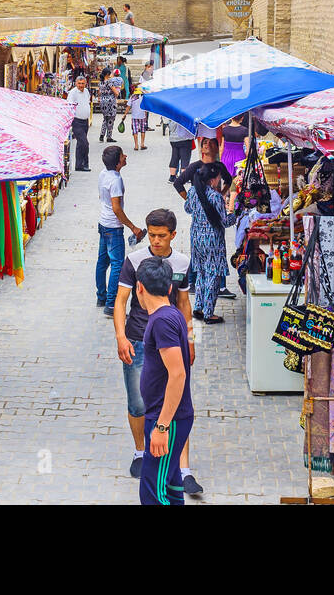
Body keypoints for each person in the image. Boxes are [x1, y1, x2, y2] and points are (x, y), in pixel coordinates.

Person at [113, 210, 202, 495]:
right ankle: (141, 451)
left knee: (174, 399)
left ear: (173, 235)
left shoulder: (182, 263)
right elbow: (120, 301)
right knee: (139, 403)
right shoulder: (134, 260)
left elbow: (186, 304)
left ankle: (182, 468)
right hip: (138, 339)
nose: (155, 241)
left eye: (161, 236)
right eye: (151, 235)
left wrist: (191, 339)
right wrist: (120, 336)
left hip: (169, 337)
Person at [135, 257, 195, 505]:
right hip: (169, 417)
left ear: (139, 287)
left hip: (166, 420)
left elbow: (178, 374)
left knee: (152, 494)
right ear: (170, 288)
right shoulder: (171, 314)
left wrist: (161, 427)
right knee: (170, 488)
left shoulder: (161, 322)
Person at [175, 138, 236, 323]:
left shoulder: (193, 193)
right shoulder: (216, 197)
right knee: (214, 275)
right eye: (218, 177)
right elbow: (225, 222)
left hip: (196, 238)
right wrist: (233, 208)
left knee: (201, 273)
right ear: (212, 179)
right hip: (213, 240)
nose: (220, 179)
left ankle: (199, 308)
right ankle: (209, 313)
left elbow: (188, 209)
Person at [96, 145, 145, 316]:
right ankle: (110, 304)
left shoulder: (103, 174)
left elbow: (101, 197)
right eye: (122, 155)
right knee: (117, 265)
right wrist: (133, 227)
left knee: (102, 262)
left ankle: (101, 296)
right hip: (113, 227)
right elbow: (117, 209)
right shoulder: (116, 180)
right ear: (117, 162)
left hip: (103, 222)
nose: (125, 156)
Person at [66, 74, 92, 172]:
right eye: (79, 83)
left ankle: (79, 165)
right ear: (76, 83)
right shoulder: (73, 93)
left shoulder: (86, 91)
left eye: (83, 83)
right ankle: (84, 164)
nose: (81, 85)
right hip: (76, 121)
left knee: (80, 144)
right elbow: (69, 106)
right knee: (85, 143)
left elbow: (87, 103)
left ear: (85, 83)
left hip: (85, 121)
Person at [97, 66, 121, 143]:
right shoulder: (109, 82)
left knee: (105, 118)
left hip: (103, 102)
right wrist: (118, 92)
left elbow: (99, 93)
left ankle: (101, 135)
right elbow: (116, 93)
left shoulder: (100, 83)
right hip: (110, 102)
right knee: (110, 119)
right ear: (107, 74)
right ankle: (109, 137)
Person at [167, 119, 195, 184]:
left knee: (174, 157)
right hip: (185, 139)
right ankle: (184, 177)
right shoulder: (185, 114)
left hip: (173, 140)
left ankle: (172, 177)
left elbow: (171, 128)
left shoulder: (172, 116)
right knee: (185, 158)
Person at [128, 86, 148, 151]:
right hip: (142, 116)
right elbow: (145, 108)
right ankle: (142, 144)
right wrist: (146, 116)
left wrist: (124, 115)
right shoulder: (143, 98)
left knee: (135, 130)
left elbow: (128, 107)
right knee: (142, 130)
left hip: (134, 116)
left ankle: (136, 145)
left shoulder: (132, 97)